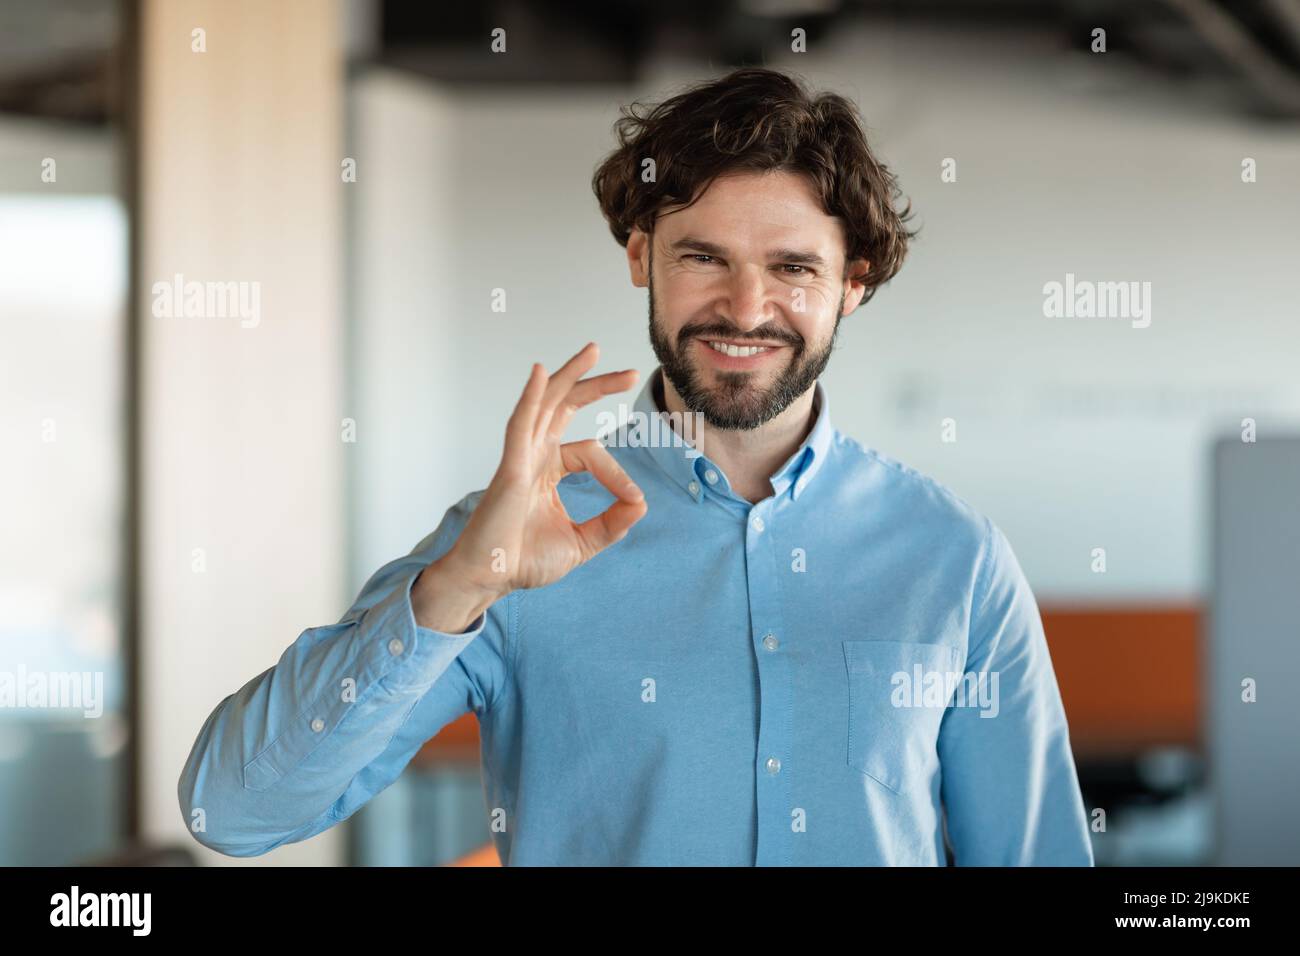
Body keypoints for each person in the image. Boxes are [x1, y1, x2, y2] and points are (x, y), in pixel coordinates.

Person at [179, 67, 1094, 866]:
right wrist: (462, 582)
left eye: (793, 269)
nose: (746, 308)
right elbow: (233, 811)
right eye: (704, 258)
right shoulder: (516, 536)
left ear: (852, 282)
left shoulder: (957, 560)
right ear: (639, 256)